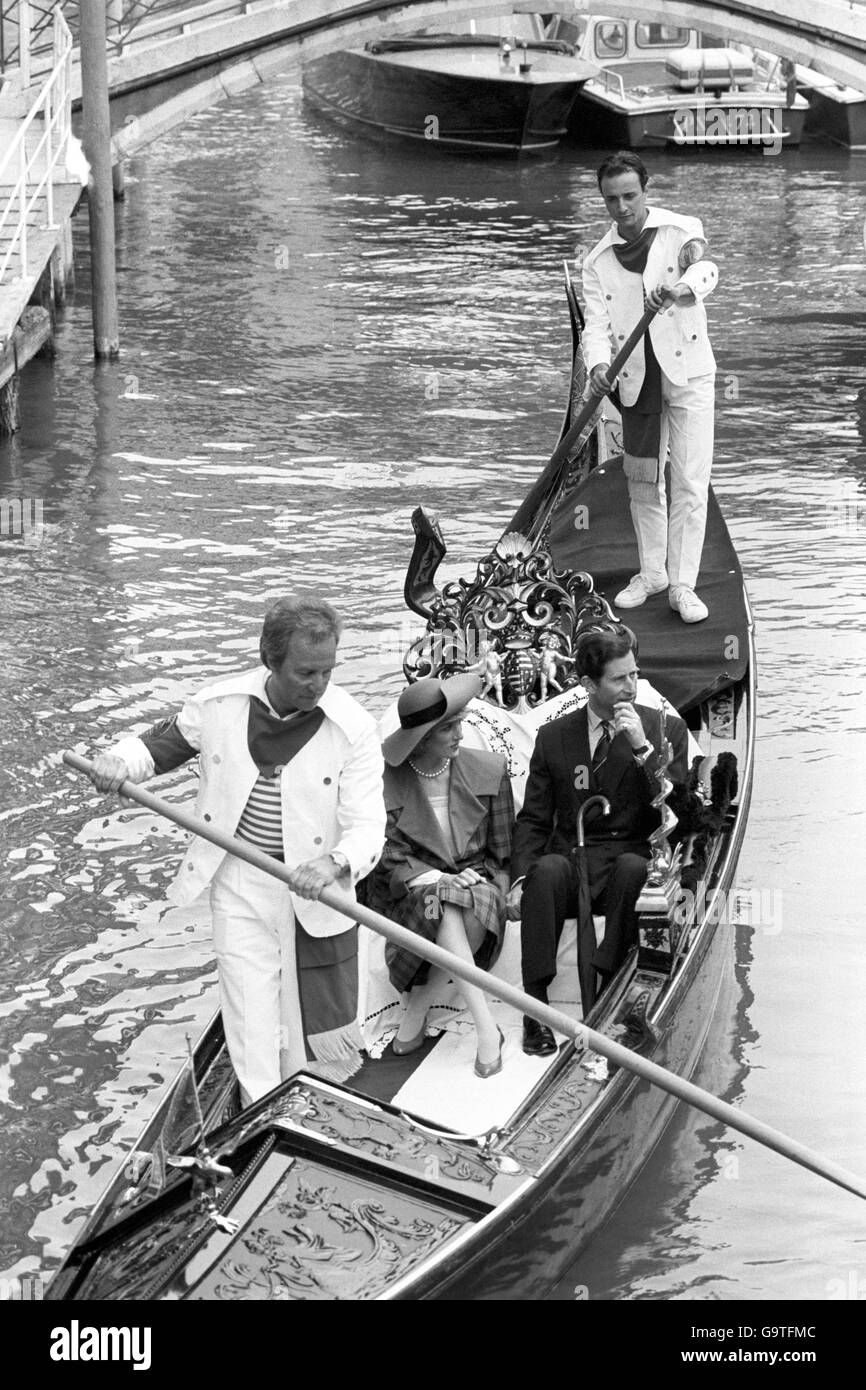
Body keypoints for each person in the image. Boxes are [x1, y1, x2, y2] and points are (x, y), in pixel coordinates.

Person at [86, 597, 385, 1106]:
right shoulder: (219, 704)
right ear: (270, 660)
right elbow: (159, 747)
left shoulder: (353, 728)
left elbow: (369, 826)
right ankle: (262, 1114)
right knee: (249, 1014)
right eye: (306, 672)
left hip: (312, 886)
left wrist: (333, 862)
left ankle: (310, 1103)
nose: (319, 685)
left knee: (301, 1019)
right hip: (239, 882)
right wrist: (116, 761)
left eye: (327, 671)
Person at [507, 627, 689, 1056]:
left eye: (635, 675)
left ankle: (614, 992)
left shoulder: (666, 729)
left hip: (629, 858)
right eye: (620, 678)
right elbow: (534, 818)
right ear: (589, 685)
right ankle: (535, 1008)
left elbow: (676, 814)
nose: (632, 687)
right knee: (545, 871)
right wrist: (518, 879)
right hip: (573, 859)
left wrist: (644, 750)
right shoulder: (554, 738)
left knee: (632, 869)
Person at [582, 151, 718, 624]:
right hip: (638, 380)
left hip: (690, 372)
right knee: (644, 482)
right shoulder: (597, 262)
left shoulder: (681, 230)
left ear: (646, 190)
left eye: (630, 196)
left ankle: (682, 585)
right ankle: (652, 572)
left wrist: (683, 291)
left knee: (688, 480)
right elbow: (595, 327)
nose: (622, 208)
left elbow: (705, 271)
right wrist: (599, 364)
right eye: (611, 199)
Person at [365, 673, 514, 1079]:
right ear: (421, 739)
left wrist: (487, 884)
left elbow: (503, 854)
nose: (459, 734)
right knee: (445, 901)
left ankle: (417, 1009)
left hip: (479, 885)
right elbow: (390, 862)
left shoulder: (489, 770)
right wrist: (439, 880)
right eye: (447, 727)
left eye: (459, 723)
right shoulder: (381, 782)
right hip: (413, 893)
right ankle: (487, 1029)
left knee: (463, 902)